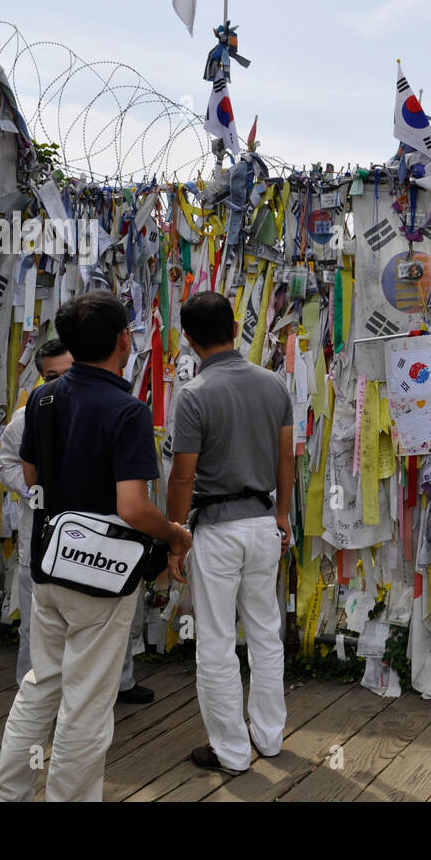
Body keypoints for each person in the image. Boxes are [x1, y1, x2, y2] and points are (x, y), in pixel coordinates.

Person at [0, 291, 190, 802]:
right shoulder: (128, 411)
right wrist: (173, 533)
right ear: (125, 340)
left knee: (40, 685)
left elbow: (33, 478)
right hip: (101, 574)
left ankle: (5, 794)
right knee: (87, 705)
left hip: (49, 565)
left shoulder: (41, 398)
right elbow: (131, 507)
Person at [165, 290, 294, 775]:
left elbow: (182, 476)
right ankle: (270, 737)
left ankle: (232, 752)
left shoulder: (194, 395)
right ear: (236, 328)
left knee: (216, 642)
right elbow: (287, 457)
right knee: (265, 633)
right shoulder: (273, 384)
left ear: (191, 340)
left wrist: (176, 535)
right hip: (264, 523)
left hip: (215, 530)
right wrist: (282, 514)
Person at [0, 339, 155, 702]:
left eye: (69, 372)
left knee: (113, 613)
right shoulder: (29, 415)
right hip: (44, 533)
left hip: (104, 535)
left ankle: (121, 683)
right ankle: (33, 688)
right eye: (53, 375)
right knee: (40, 625)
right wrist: (33, 489)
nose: (62, 381)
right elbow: (10, 464)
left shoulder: (114, 409)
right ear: (40, 376)